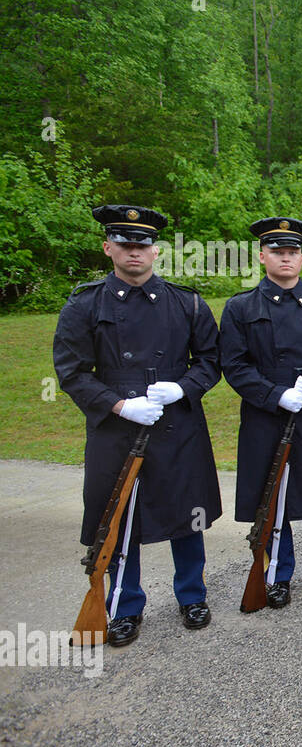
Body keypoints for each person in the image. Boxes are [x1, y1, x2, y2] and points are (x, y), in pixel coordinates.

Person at [53, 205, 222, 647]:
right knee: (118, 518)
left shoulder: (186, 302)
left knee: (188, 514)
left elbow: (211, 361)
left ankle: (192, 595)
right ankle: (126, 605)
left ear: (155, 251)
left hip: (176, 421)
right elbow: (71, 371)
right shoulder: (85, 302)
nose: (134, 252)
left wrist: (183, 388)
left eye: (142, 245)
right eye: (125, 244)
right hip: (116, 425)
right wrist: (118, 405)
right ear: (108, 247)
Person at [219, 217, 302, 607]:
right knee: (271, 492)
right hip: (266, 414)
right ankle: (277, 570)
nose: (286, 258)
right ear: (262, 256)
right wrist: (274, 394)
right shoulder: (241, 308)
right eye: (278, 251)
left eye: (292, 252)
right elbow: (234, 364)